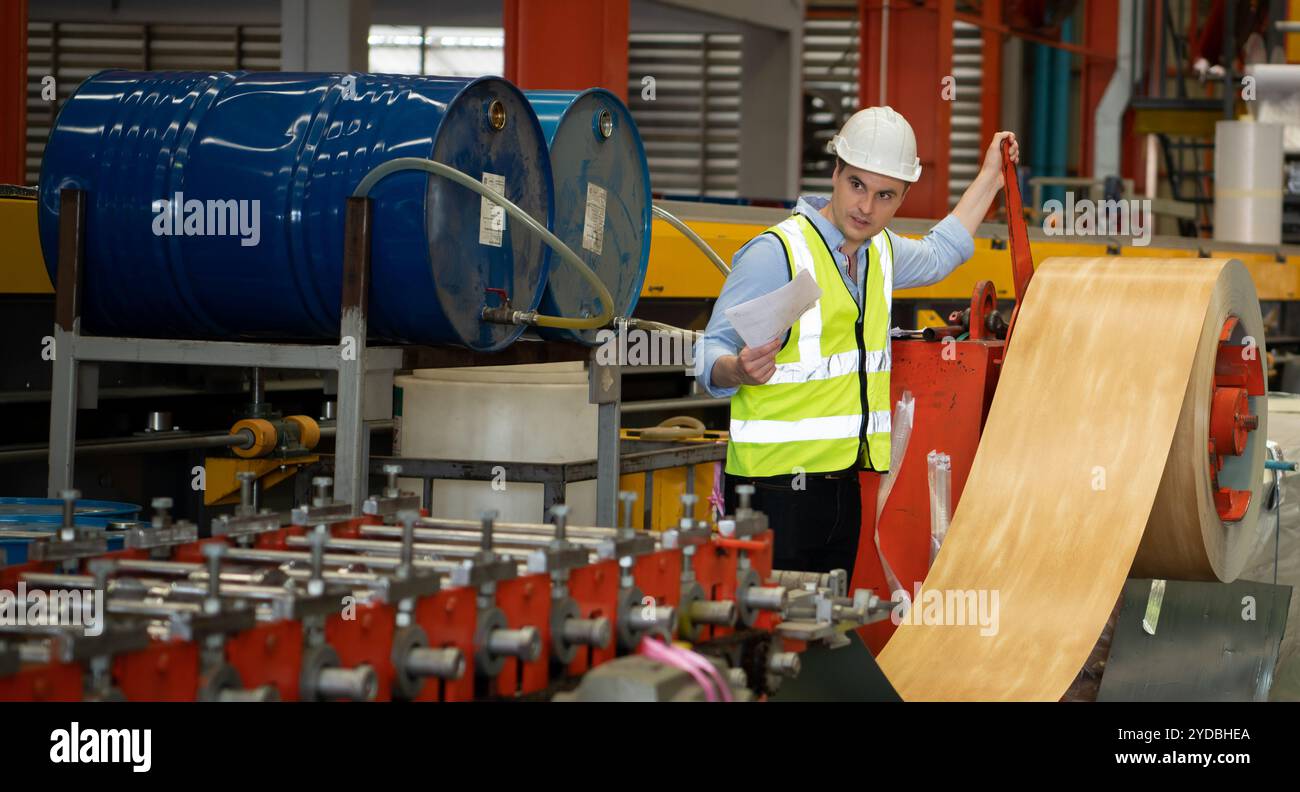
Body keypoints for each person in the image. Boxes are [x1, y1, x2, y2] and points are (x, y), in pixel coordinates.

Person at [696, 106, 1019, 577]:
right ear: (836, 173)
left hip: (843, 491)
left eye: (884, 194)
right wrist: (737, 370)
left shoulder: (880, 253)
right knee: (770, 642)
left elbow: (939, 252)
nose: (866, 207)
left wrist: (991, 176)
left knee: (824, 638)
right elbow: (709, 350)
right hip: (771, 494)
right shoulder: (779, 253)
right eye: (856, 185)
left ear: (903, 197)